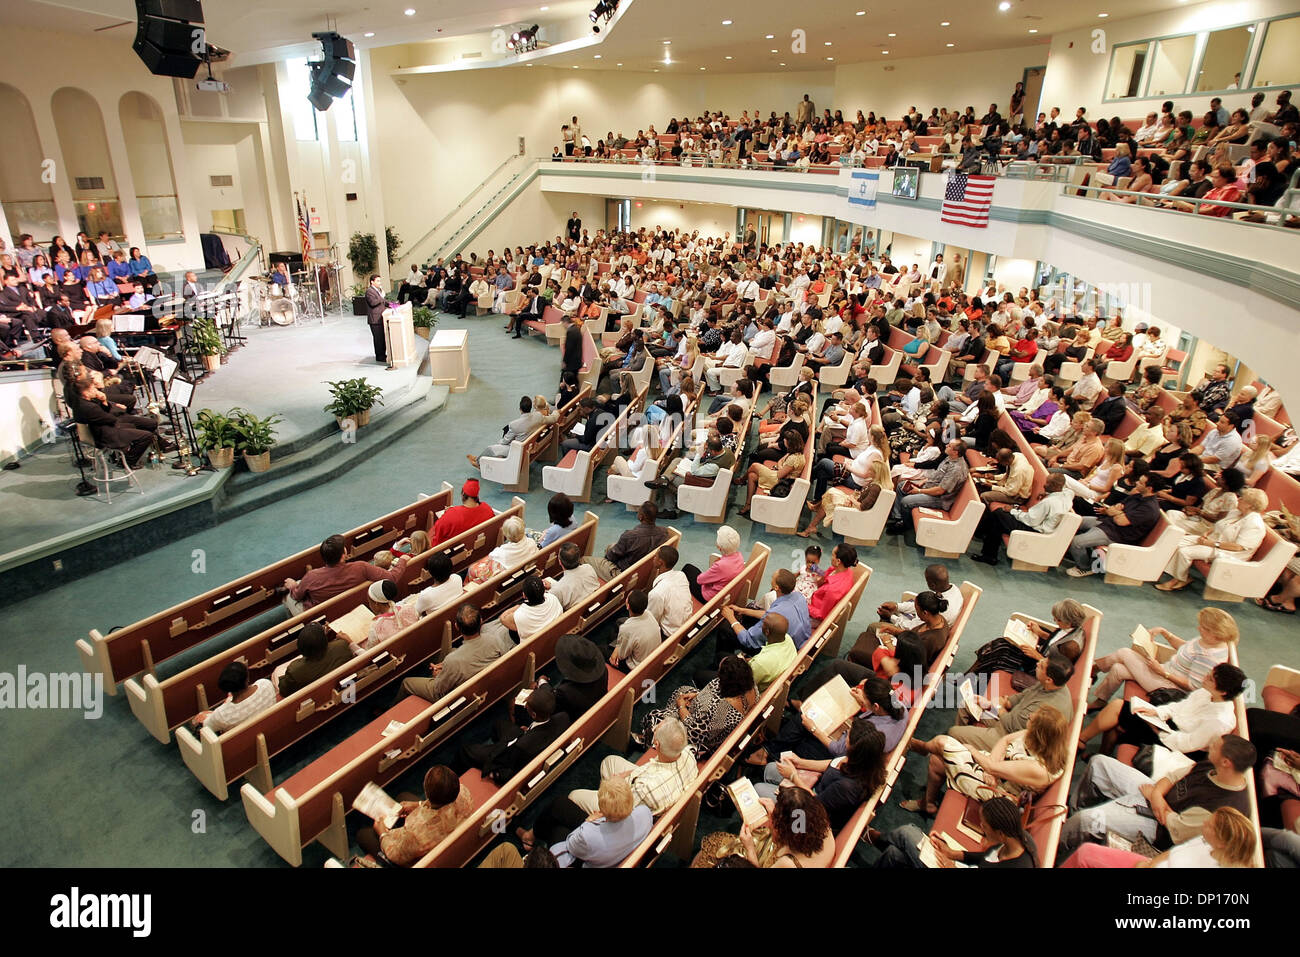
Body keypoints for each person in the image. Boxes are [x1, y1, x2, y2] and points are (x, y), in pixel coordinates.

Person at [1057, 734, 1256, 862]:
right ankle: (1073, 808)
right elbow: (1174, 776)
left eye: (1215, 747)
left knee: (1085, 821)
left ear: (1226, 762)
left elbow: (1175, 826)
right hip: (1155, 797)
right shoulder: (1212, 766)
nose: (1210, 746)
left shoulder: (1224, 807)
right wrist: (1157, 794)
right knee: (1099, 763)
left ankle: (1052, 849)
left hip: (1158, 829)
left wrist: (1155, 797)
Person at [901, 706, 1071, 817]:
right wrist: (991, 769)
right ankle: (928, 804)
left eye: (1032, 720)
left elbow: (993, 767)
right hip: (995, 771)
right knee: (937, 760)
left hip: (1001, 797)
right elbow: (1005, 741)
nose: (1030, 716)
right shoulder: (1044, 741)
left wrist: (973, 751)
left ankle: (918, 746)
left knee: (941, 744)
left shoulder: (1040, 768)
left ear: (1041, 732)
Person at [1078, 663, 1246, 758]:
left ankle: (1080, 742)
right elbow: (1180, 707)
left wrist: (1158, 730)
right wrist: (1158, 713)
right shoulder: (1207, 692)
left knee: (1117, 710)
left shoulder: (1218, 721)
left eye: (1209, 678)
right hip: (1169, 727)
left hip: (1178, 746)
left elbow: (1188, 744)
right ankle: (1096, 751)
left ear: (1223, 691)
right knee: (1120, 710)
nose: (1204, 678)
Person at [1088, 607, 1240, 710]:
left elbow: (1192, 686)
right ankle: (1101, 701)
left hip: (1169, 685)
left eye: (1203, 628)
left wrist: (1162, 672)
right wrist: (1165, 633)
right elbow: (1186, 647)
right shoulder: (1210, 641)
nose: (1198, 629)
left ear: (1216, 633)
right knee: (1118, 669)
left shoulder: (1209, 657)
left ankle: (1091, 670)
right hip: (1165, 671)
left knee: (1123, 653)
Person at [567, 716, 695, 816]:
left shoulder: (646, 790)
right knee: (610, 762)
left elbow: (624, 811)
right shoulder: (688, 754)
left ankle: (604, 801)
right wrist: (626, 776)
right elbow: (650, 768)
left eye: (656, 728)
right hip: (654, 783)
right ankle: (604, 793)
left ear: (657, 744)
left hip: (627, 805)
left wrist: (614, 783)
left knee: (573, 796)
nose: (654, 728)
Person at [516, 776, 653, 868]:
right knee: (560, 805)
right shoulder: (645, 813)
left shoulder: (587, 834)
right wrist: (601, 820)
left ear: (602, 808)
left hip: (594, 859)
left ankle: (531, 841)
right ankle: (531, 835)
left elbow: (571, 844)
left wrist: (589, 821)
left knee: (558, 830)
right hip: (613, 845)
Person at [1060, 806, 1257, 868]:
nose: (1205, 823)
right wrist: (1149, 865)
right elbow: (1174, 852)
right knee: (1087, 853)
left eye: (1210, 826)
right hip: (1149, 865)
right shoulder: (1208, 841)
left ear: (1223, 842)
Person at [873, 795, 1038, 868]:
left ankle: (874, 837)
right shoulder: (1019, 837)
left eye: (985, 826)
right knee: (893, 854)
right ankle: (878, 839)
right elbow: (985, 858)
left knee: (907, 832)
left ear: (1001, 833)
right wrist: (951, 853)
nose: (981, 828)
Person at [637, 656, 756, 758]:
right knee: (684, 690)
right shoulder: (750, 687)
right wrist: (699, 695)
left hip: (700, 738)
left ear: (726, 681)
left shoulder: (722, 711)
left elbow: (694, 730)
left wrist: (681, 707)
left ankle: (650, 744)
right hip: (706, 717)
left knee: (654, 717)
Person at [356, 766, 473, 867]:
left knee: (364, 835)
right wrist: (419, 804)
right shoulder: (463, 792)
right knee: (403, 796)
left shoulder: (416, 834)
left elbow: (395, 855)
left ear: (426, 791)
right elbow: (443, 805)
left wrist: (382, 833)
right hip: (447, 834)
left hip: (420, 856)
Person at [1155, 487, 1267, 591]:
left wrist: (1211, 543)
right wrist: (1207, 533)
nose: (1239, 499)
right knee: (1178, 542)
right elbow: (1219, 525)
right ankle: (1181, 575)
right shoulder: (1236, 512)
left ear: (1249, 505)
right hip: (1213, 540)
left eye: (1243, 499)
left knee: (1185, 552)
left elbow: (1238, 547)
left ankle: (1178, 580)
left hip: (1228, 552)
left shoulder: (1255, 524)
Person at [458, 684, 571, 784]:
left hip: (508, 753)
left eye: (527, 704)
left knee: (465, 750)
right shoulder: (563, 717)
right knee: (500, 724)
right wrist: (528, 731)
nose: (525, 705)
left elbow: (511, 767)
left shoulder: (522, 747)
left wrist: (496, 773)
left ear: (533, 715)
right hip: (528, 736)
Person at [400, 605, 513, 703]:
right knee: (453, 650)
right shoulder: (494, 639)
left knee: (406, 683)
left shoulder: (452, 660)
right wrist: (446, 667)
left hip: (457, 694)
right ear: (481, 621)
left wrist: (438, 675)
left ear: (456, 627)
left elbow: (439, 690)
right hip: (483, 682)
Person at [1065, 463, 1160, 577]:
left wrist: (1117, 512)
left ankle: (1084, 567)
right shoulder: (1137, 496)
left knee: (1077, 542)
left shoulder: (1149, 509)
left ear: (1149, 488)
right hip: (1107, 522)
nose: (1137, 484)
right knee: (1073, 521)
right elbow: (1112, 509)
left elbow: (1120, 521)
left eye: (1140, 483)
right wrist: (1118, 513)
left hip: (1116, 534)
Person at [967, 599, 1087, 680]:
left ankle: (971, 678)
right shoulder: (1070, 628)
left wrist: (1036, 655)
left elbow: (1060, 670)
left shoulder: (1071, 646)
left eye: (1057, 620)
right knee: (1001, 643)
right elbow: (1055, 642)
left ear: (1069, 622)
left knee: (1001, 652)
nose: (1055, 621)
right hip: (1042, 655)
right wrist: (1040, 632)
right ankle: (970, 675)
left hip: (1040, 669)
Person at [972, 473, 1075, 567]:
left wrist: (1012, 510)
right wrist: (1047, 493)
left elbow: (1031, 520)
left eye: (1047, 483)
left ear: (1055, 486)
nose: (1044, 485)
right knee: (997, 520)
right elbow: (1067, 490)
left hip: (1036, 530)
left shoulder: (1048, 503)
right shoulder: (1067, 495)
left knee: (998, 514)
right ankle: (988, 553)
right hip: (1044, 526)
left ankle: (981, 536)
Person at [738, 782, 834, 868]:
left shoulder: (787, 863)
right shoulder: (822, 825)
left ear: (785, 828)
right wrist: (774, 814)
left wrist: (749, 848)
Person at [886, 439, 970, 534]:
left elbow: (940, 491)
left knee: (906, 501)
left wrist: (918, 491)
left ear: (955, 452)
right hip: (931, 487)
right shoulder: (950, 457)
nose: (946, 446)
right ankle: (898, 517)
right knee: (902, 485)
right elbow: (938, 475)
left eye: (949, 446)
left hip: (940, 499)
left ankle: (906, 525)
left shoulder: (956, 470)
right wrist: (924, 480)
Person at [582, 501, 669, 580]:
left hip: (623, 574)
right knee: (611, 546)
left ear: (641, 517)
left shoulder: (629, 536)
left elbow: (611, 557)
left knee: (584, 559)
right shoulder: (664, 533)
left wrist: (607, 561)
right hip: (641, 569)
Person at [468, 395, 557, 469]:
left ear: (520, 409)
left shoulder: (514, 424)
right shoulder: (538, 416)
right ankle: (480, 458)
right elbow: (554, 418)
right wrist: (556, 412)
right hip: (529, 446)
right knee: (498, 447)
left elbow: (504, 441)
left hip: (517, 451)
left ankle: (478, 462)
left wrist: (498, 444)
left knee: (491, 448)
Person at [195, 661, 277, 734]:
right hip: (271, 730)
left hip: (242, 744)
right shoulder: (265, 684)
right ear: (247, 679)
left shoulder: (222, 714)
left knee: (199, 717)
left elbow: (205, 728)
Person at [277, 622, 355, 698]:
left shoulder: (294, 670)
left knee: (277, 671)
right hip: (342, 693)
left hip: (313, 698)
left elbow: (283, 691)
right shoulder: (343, 645)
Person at [549, 633, 610, 718]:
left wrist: (543, 684)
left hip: (577, 718)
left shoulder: (565, 691)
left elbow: (552, 709)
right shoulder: (603, 670)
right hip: (596, 703)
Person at [681, 526, 744, 603]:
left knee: (687, 568)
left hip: (709, 598)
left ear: (719, 547)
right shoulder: (740, 557)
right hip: (726, 592)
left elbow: (700, 580)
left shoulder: (720, 566)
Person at [430, 480, 494, 546]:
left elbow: (437, 534)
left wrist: (447, 514)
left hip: (452, 551)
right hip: (480, 547)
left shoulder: (452, 514)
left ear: (463, 494)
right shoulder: (487, 508)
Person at [608, 589, 660, 671]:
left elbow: (621, 655)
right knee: (619, 623)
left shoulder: (627, 629)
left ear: (628, 606)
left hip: (636, 666)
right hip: (651, 654)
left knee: (602, 650)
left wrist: (617, 648)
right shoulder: (649, 614)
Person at [364, 273, 388, 363]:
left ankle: (383, 354)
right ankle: (380, 356)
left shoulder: (378, 290)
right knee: (378, 339)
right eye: (377, 281)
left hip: (381, 317)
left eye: (380, 280)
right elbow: (373, 303)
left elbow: (383, 302)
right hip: (375, 319)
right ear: (372, 282)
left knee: (382, 338)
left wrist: (393, 305)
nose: (379, 282)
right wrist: (382, 297)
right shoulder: (369, 291)